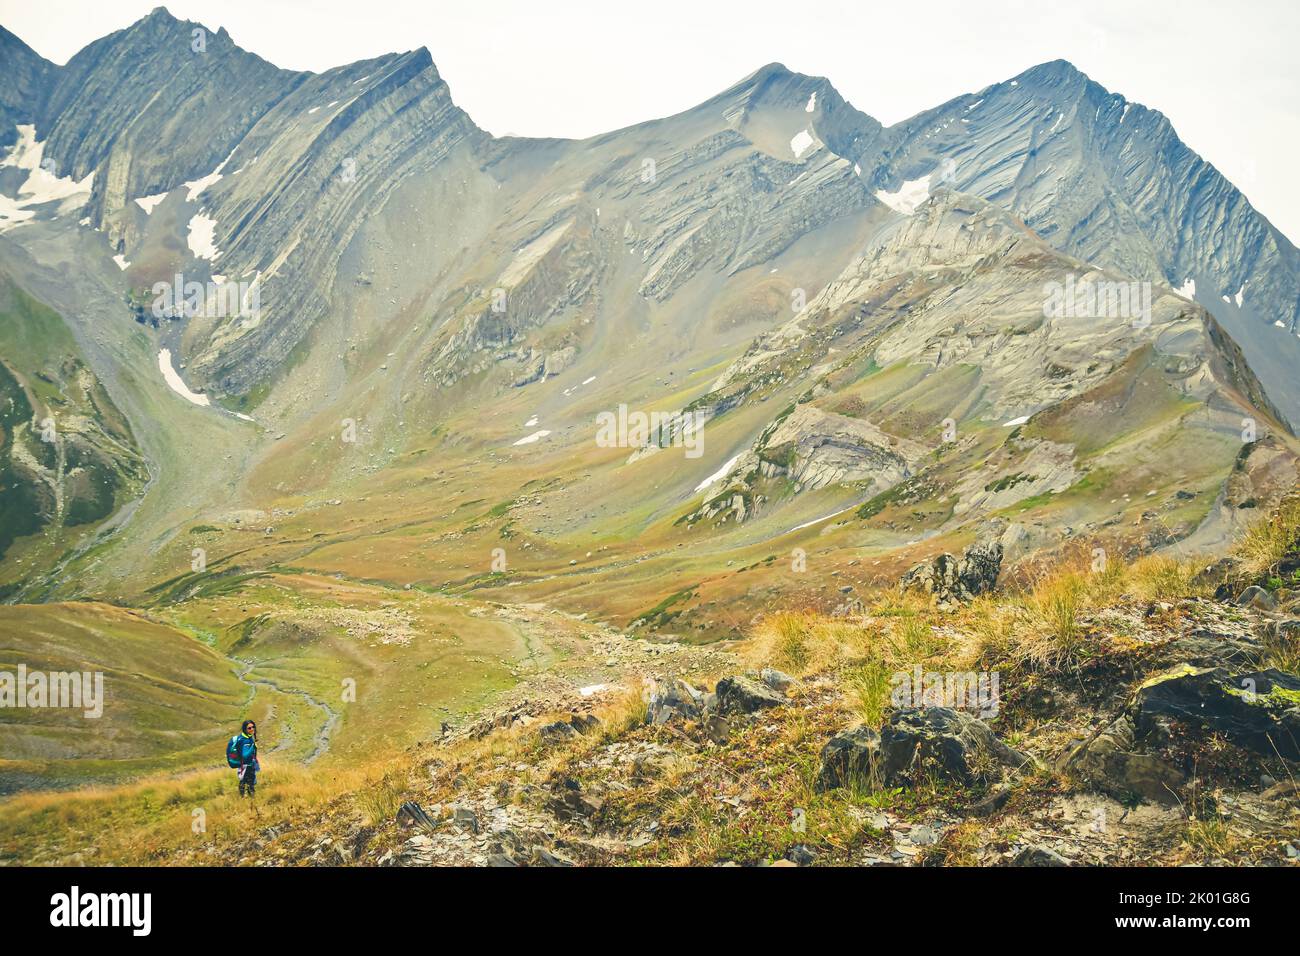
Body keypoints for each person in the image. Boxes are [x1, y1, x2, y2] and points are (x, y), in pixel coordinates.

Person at [227, 720, 261, 798]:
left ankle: (242, 798)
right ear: (245, 729)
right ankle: (250, 800)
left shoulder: (246, 737)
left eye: (253, 727)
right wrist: (253, 746)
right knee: (250, 784)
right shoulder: (245, 741)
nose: (252, 729)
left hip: (244, 765)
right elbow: (245, 755)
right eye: (249, 728)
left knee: (244, 782)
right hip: (247, 765)